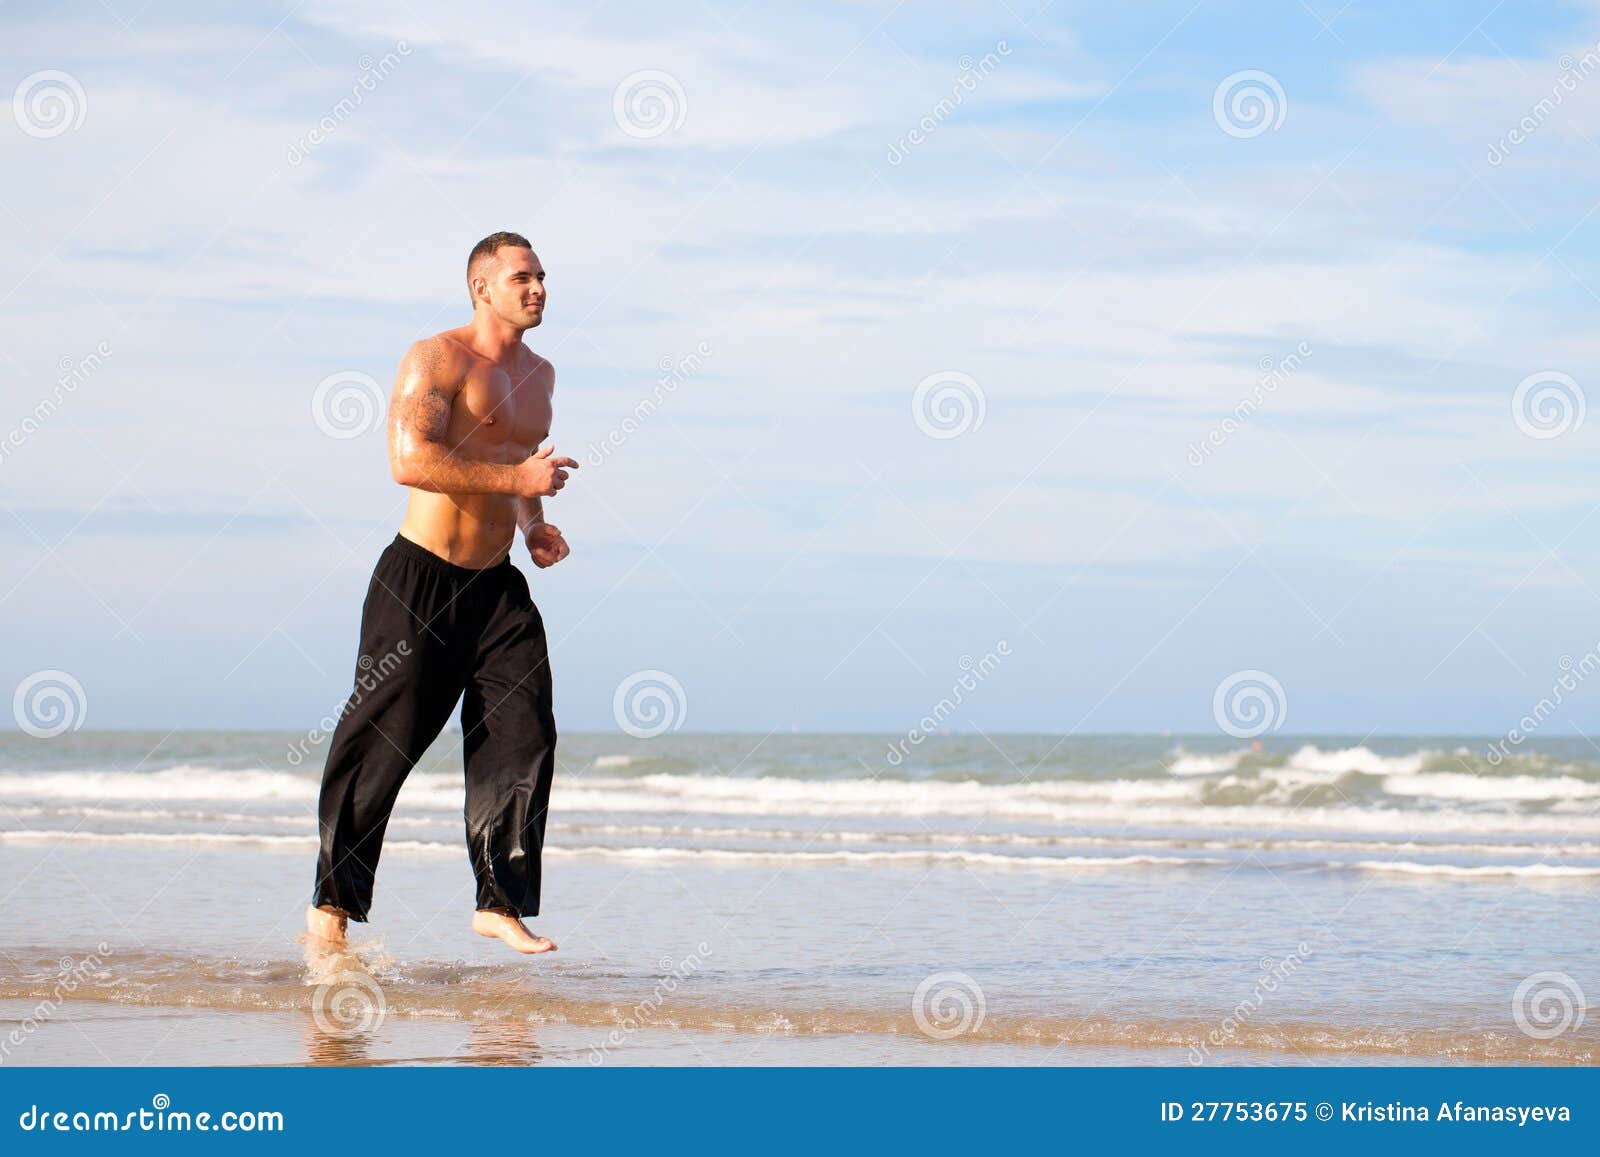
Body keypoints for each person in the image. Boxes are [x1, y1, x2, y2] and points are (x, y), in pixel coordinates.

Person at [305, 231, 577, 955]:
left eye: (544, 277)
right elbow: (408, 459)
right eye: (524, 277)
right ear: (482, 286)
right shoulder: (437, 357)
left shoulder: (541, 375)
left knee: (524, 727)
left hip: (495, 585)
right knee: (382, 743)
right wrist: (521, 483)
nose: (539, 288)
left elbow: (520, 463)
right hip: (420, 577)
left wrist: (536, 525)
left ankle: (499, 899)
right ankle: (331, 909)